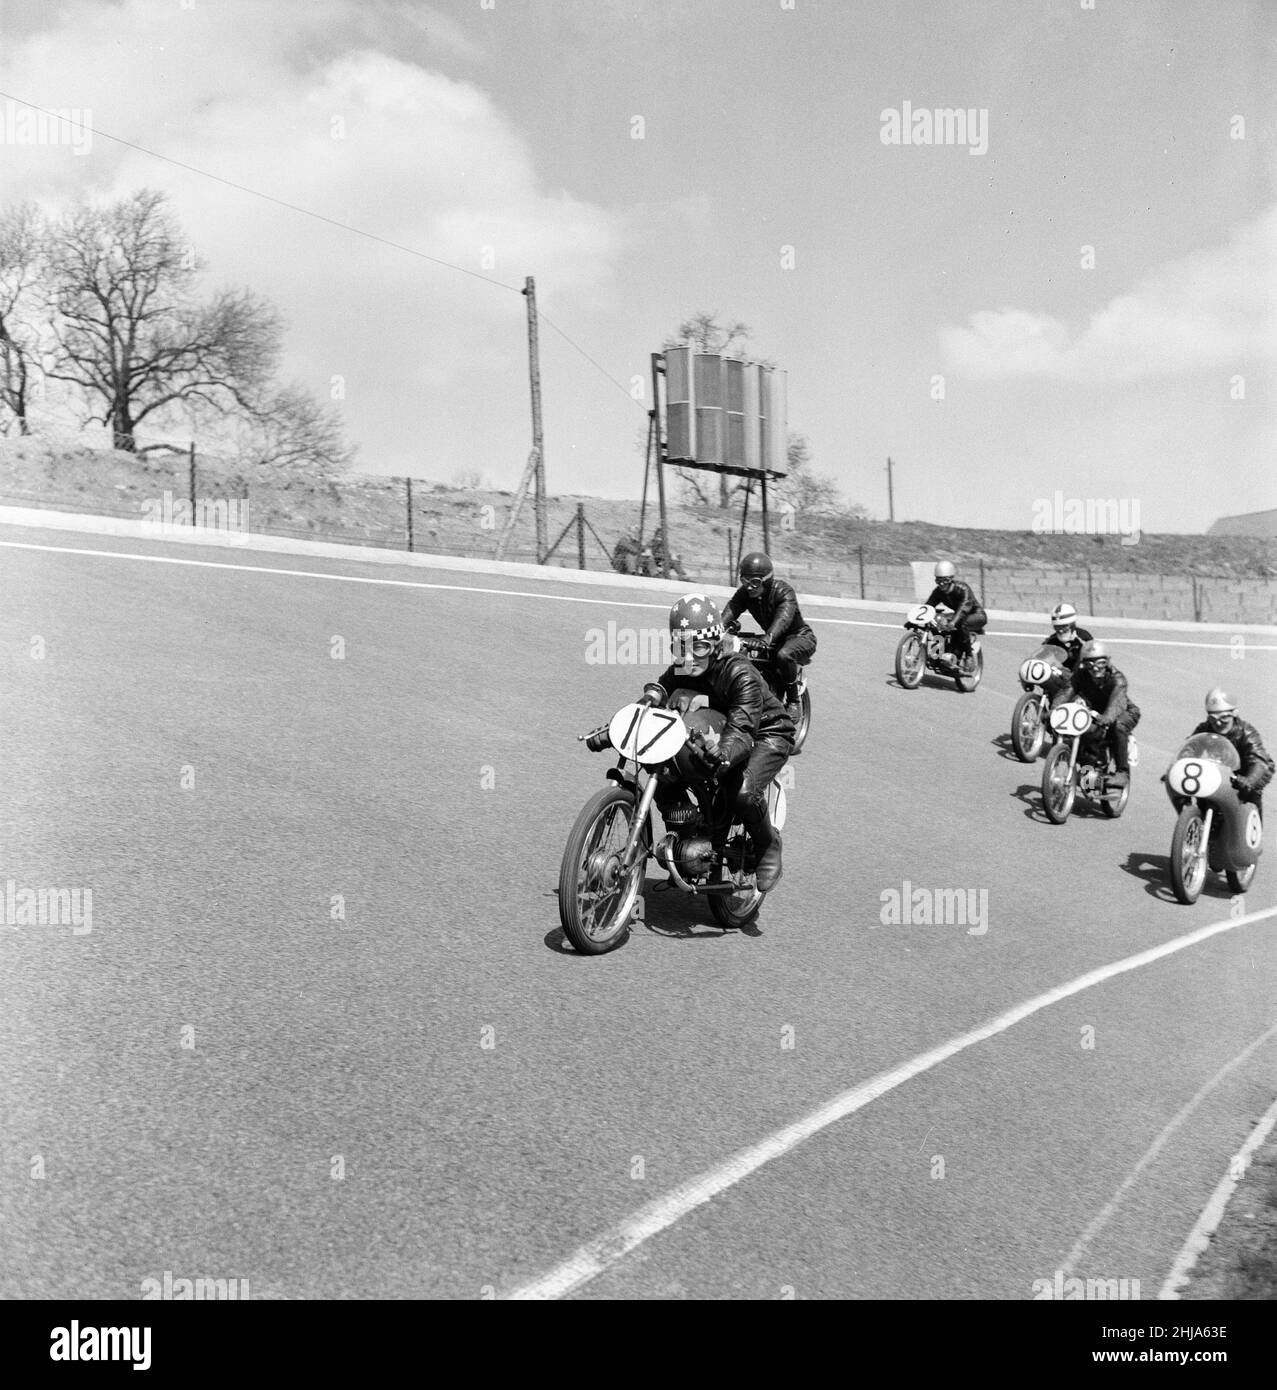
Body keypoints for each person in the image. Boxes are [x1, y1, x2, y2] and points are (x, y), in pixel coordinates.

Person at [639, 593, 795, 892]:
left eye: (699, 646)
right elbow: (661, 689)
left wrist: (722, 756)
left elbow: (742, 730)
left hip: (765, 733)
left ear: (714, 644)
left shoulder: (739, 673)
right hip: (724, 727)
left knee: (741, 791)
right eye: (681, 646)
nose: (689, 656)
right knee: (664, 768)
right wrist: (628, 718)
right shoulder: (686, 664)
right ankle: (687, 835)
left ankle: (768, 844)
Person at [720, 551, 817, 719]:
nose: (749, 586)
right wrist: (716, 630)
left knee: (784, 655)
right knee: (740, 651)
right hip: (774, 639)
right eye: (744, 580)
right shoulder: (745, 593)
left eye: (755, 582)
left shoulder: (784, 592)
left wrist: (767, 639)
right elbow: (731, 609)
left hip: (799, 638)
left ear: (767, 579)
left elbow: (783, 620)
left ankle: (794, 701)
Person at [1051, 640, 1140, 788]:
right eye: (1089, 663)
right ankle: (1090, 769)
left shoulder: (1117, 679)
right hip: (1096, 711)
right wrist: (1054, 710)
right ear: (1083, 664)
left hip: (1125, 711)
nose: (1094, 668)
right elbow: (1066, 692)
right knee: (1085, 732)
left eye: (1100, 662)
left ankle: (1122, 772)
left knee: (1118, 727)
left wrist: (1106, 718)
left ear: (1108, 662)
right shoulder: (1080, 676)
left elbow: (1117, 703)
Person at [1190, 689, 1273, 814]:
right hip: (1217, 775)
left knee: (1249, 805)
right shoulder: (1205, 728)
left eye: (1224, 718)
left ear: (1234, 713)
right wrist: (1178, 766)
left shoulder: (1247, 732)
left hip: (1244, 778)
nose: (1218, 723)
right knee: (1198, 798)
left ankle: (1251, 829)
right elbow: (1191, 747)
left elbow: (1259, 761)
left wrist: (1249, 780)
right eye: (1213, 719)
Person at [923, 561, 986, 668]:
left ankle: (969, 656)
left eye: (945, 580)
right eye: (939, 580)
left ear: (951, 579)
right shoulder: (938, 592)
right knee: (937, 621)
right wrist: (914, 621)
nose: (942, 584)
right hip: (958, 615)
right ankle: (937, 654)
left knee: (960, 624)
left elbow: (963, 609)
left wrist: (952, 622)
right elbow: (928, 607)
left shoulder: (963, 589)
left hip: (976, 615)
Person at [1041, 602, 1093, 672]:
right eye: (1057, 627)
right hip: (1061, 677)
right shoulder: (1051, 641)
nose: (1061, 630)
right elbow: (1041, 659)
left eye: (1064, 626)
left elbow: (1094, 657)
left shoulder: (1084, 638)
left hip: (1081, 676)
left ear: (1072, 624)